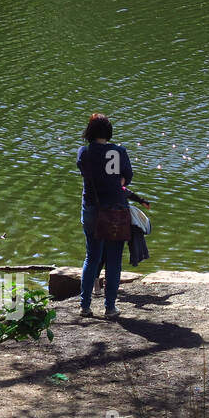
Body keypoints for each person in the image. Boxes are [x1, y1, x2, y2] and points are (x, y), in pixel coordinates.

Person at [77, 113, 133, 319]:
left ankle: (85, 306)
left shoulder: (85, 152)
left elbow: (84, 170)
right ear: (109, 132)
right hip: (116, 210)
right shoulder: (119, 152)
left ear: (90, 132)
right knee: (114, 260)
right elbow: (128, 177)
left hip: (92, 208)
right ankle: (110, 307)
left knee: (92, 257)